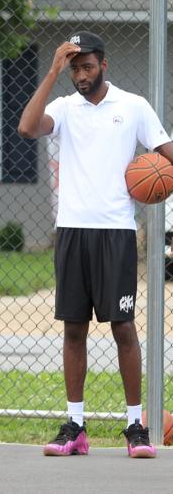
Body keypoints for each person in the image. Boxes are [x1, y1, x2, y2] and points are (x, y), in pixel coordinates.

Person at [18, 31, 173, 459]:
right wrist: (51, 71)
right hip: (72, 230)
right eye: (74, 68)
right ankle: (76, 425)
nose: (80, 75)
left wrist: (159, 182)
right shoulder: (64, 108)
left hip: (116, 232)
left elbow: (167, 151)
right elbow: (27, 127)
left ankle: (135, 425)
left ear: (104, 65)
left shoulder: (133, 105)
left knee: (123, 327)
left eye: (86, 67)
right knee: (73, 329)